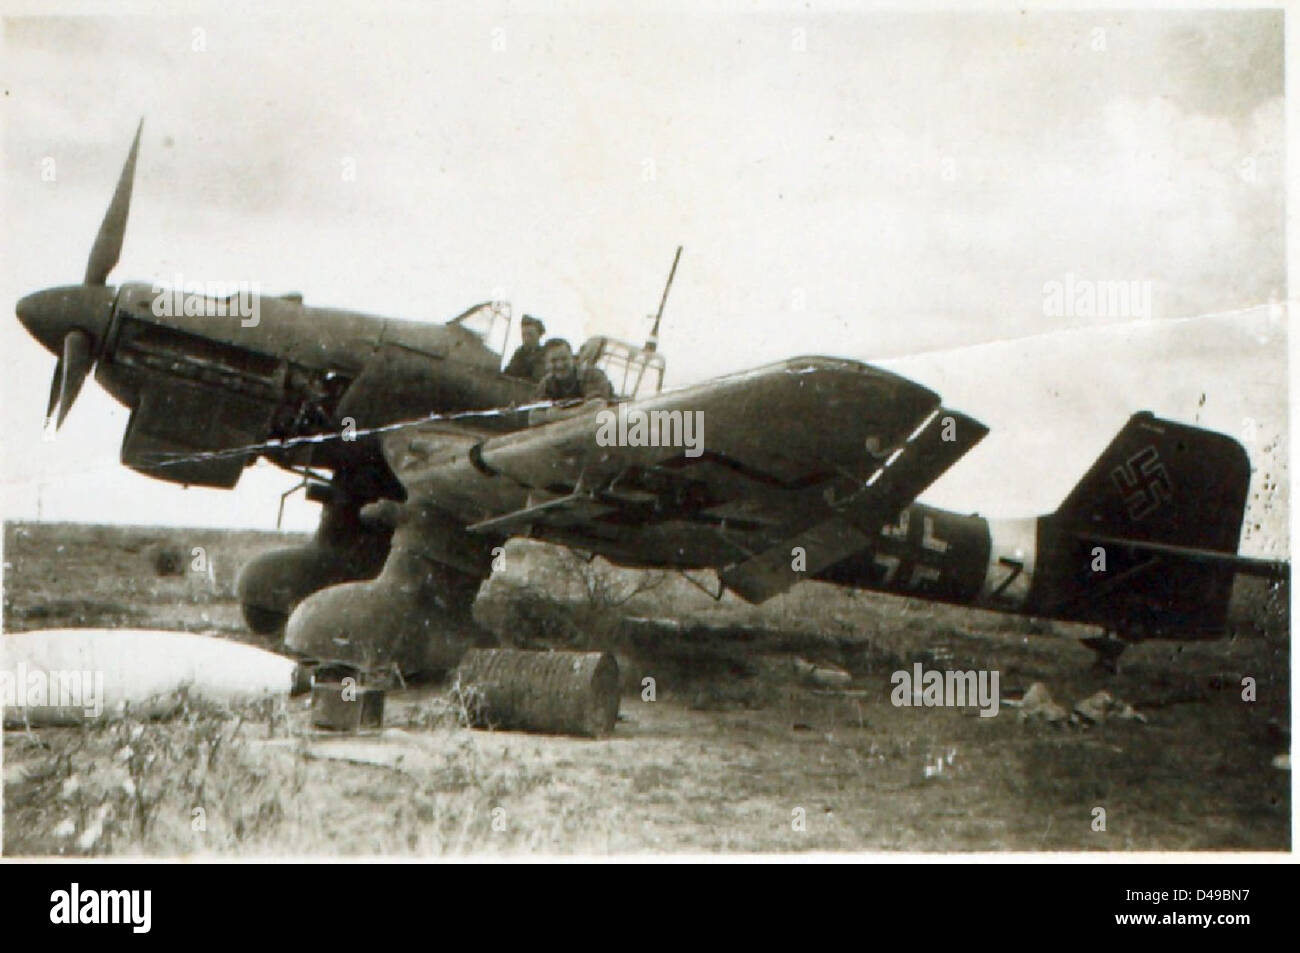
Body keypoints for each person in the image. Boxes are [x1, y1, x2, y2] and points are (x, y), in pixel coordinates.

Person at [535, 338, 614, 401]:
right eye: (553, 361)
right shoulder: (545, 384)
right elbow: (535, 416)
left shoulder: (593, 376)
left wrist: (553, 413)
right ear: (546, 364)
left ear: (572, 358)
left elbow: (596, 406)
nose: (560, 365)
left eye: (564, 359)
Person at [504, 315, 547, 381]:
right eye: (524, 335)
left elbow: (536, 380)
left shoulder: (544, 354)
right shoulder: (519, 352)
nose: (526, 339)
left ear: (539, 335)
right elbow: (507, 373)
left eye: (530, 335)